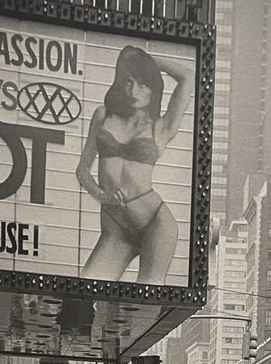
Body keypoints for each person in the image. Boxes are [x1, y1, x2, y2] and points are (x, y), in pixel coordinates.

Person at [76, 45, 193, 283]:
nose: (134, 90)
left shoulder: (161, 127)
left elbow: (188, 76)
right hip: (115, 229)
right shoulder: (103, 116)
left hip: (156, 224)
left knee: (144, 307)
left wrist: (147, 62)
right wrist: (101, 195)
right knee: (82, 298)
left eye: (143, 83)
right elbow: (82, 171)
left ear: (153, 88)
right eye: (128, 81)